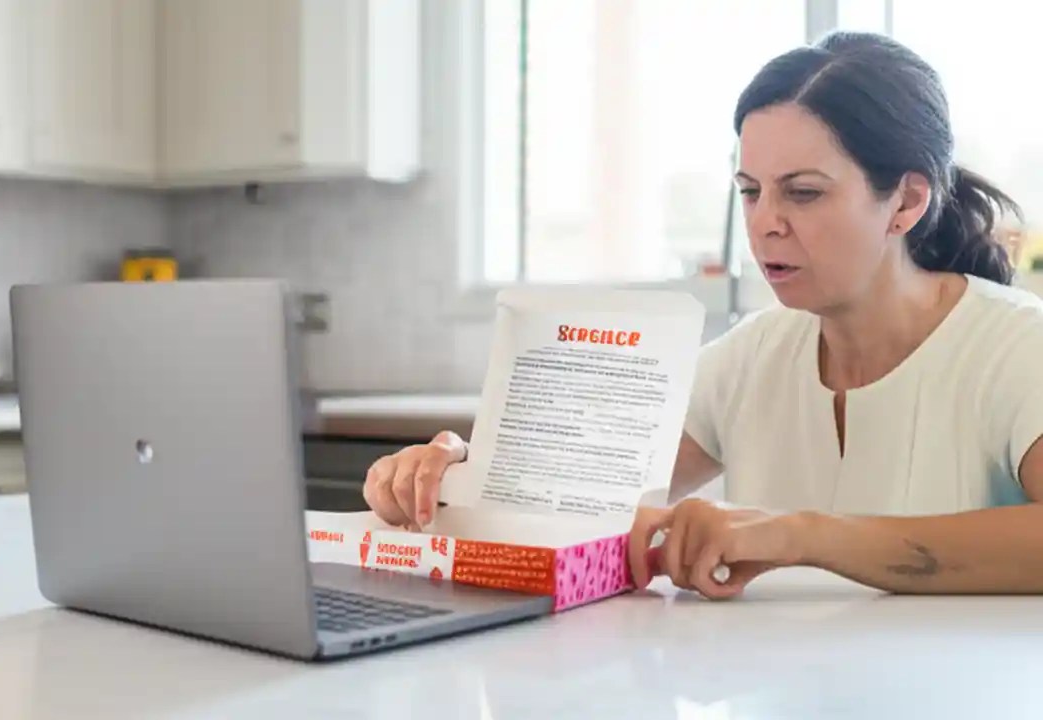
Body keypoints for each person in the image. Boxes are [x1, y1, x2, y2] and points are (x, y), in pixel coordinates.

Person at [361, 31, 1043, 600]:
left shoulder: (1015, 346)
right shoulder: (751, 356)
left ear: (905, 202)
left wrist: (800, 534)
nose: (766, 224)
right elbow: (573, 499)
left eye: (803, 193)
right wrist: (451, 473)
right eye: (750, 192)